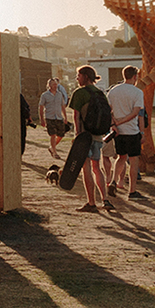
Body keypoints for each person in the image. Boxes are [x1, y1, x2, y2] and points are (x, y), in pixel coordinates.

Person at [61, 65, 114, 212]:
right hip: (98, 136)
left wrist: (78, 136)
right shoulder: (100, 93)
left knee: (87, 168)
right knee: (97, 168)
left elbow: (77, 116)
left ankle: (91, 202)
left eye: (78, 75)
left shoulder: (80, 93)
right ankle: (105, 199)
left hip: (85, 138)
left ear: (85, 76)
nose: (77, 78)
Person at [106, 67, 148, 198]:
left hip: (118, 132)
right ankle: (132, 191)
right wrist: (141, 132)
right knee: (134, 161)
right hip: (131, 131)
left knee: (121, 157)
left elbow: (108, 111)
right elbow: (135, 113)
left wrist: (114, 124)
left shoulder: (113, 91)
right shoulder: (137, 92)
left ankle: (113, 181)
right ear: (135, 77)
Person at [38, 78, 69, 158]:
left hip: (58, 117)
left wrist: (65, 117)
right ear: (49, 85)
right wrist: (41, 119)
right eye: (53, 84)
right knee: (53, 134)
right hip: (49, 117)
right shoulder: (44, 95)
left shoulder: (59, 94)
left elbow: (62, 106)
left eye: (56, 84)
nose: (55, 86)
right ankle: (54, 152)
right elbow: (41, 107)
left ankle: (52, 147)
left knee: (61, 134)